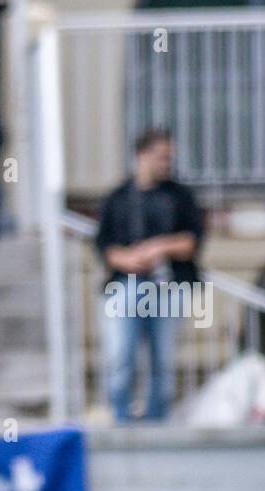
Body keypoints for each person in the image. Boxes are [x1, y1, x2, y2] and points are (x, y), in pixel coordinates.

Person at [95, 128, 204, 423]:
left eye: (169, 157)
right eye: (161, 157)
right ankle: (122, 419)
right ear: (141, 155)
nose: (166, 163)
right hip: (127, 285)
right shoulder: (118, 198)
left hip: (168, 286)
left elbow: (192, 242)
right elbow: (104, 246)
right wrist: (129, 259)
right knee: (121, 356)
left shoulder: (180, 196)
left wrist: (158, 247)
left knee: (163, 360)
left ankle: (157, 421)